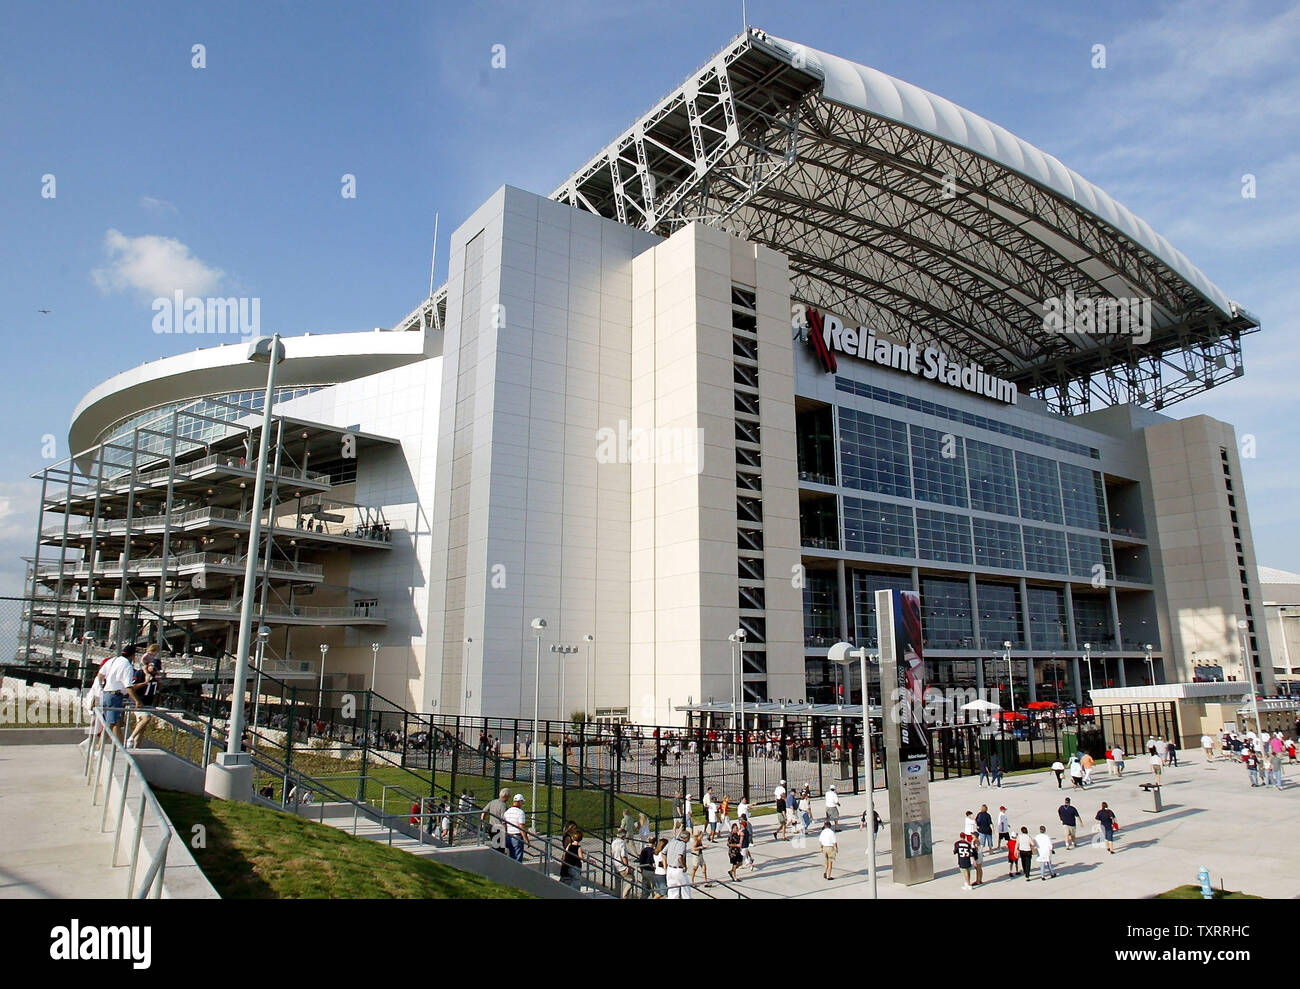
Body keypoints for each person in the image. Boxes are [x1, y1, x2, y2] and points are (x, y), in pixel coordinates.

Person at [98, 644, 142, 744]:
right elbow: (128, 686)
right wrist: (137, 701)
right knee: (110, 724)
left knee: (115, 723)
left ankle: (121, 747)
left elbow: (100, 675)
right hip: (115, 696)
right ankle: (98, 748)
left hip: (105, 694)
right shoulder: (127, 665)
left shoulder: (113, 660)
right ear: (133, 656)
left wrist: (102, 686)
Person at [127, 653, 161, 749]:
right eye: (154, 669)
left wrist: (158, 682)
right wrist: (145, 682)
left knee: (142, 727)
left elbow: (156, 689)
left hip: (148, 703)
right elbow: (132, 687)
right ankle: (130, 738)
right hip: (139, 701)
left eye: (157, 670)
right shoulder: (140, 673)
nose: (155, 672)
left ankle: (136, 747)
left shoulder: (154, 677)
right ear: (149, 666)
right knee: (146, 718)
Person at [483, 787, 511, 851]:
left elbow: (483, 812)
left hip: (491, 827)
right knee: (500, 848)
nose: (509, 798)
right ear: (506, 796)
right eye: (509, 796)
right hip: (499, 829)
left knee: (495, 846)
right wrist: (506, 831)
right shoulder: (503, 805)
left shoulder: (492, 802)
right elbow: (503, 820)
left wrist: (482, 822)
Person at [503, 794, 529, 863]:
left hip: (508, 836)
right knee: (517, 858)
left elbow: (504, 825)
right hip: (517, 836)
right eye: (522, 802)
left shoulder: (507, 812)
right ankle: (517, 872)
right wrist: (526, 840)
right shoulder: (520, 812)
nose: (522, 804)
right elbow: (521, 827)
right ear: (519, 802)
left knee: (511, 858)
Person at [665, 829, 690, 899]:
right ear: (686, 838)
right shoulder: (683, 844)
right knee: (686, 890)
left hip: (670, 869)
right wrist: (684, 866)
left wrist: (665, 865)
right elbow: (680, 857)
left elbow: (663, 853)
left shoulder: (672, 841)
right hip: (678, 869)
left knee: (672, 891)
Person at [611, 828, 634, 898]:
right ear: (623, 836)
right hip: (622, 866)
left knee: (618, 882)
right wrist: (627, 866)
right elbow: (623, 855)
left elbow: (612, 853)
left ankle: (617, 896)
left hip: (615, 865)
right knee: (631, 880)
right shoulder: (622, 843)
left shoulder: (613, 842)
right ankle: (625, 895)